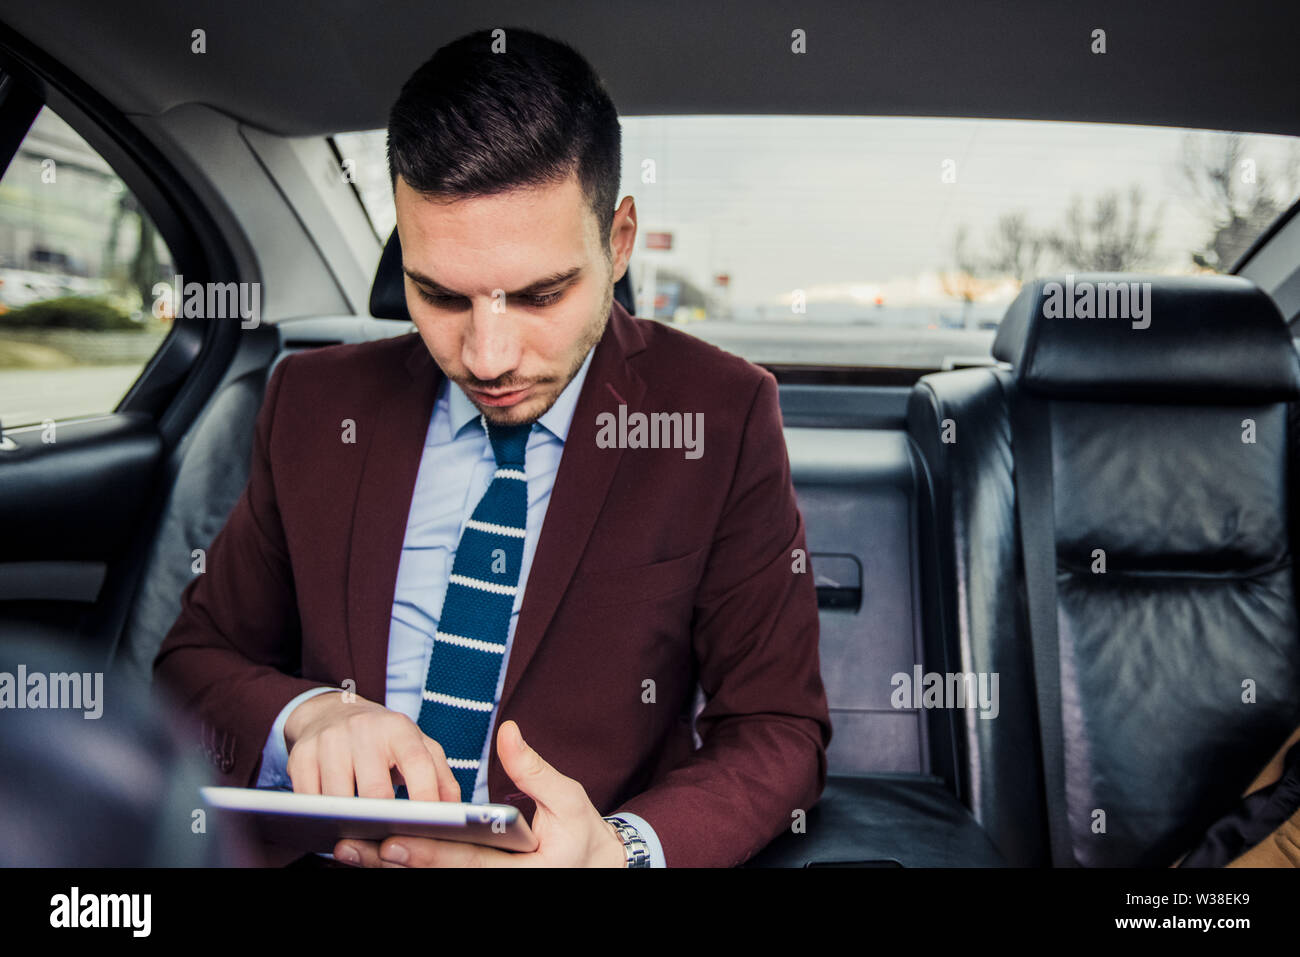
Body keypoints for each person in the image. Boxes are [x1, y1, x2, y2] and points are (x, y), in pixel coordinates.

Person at [153, 26, 831, 869]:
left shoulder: (720, 417)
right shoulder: (312, 403)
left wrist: (617, 853)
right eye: (439, 294)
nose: (488, 356)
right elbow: (190, 664)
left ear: (618, 243)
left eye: (541, 294)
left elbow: (776, 727)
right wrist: (309, 715)